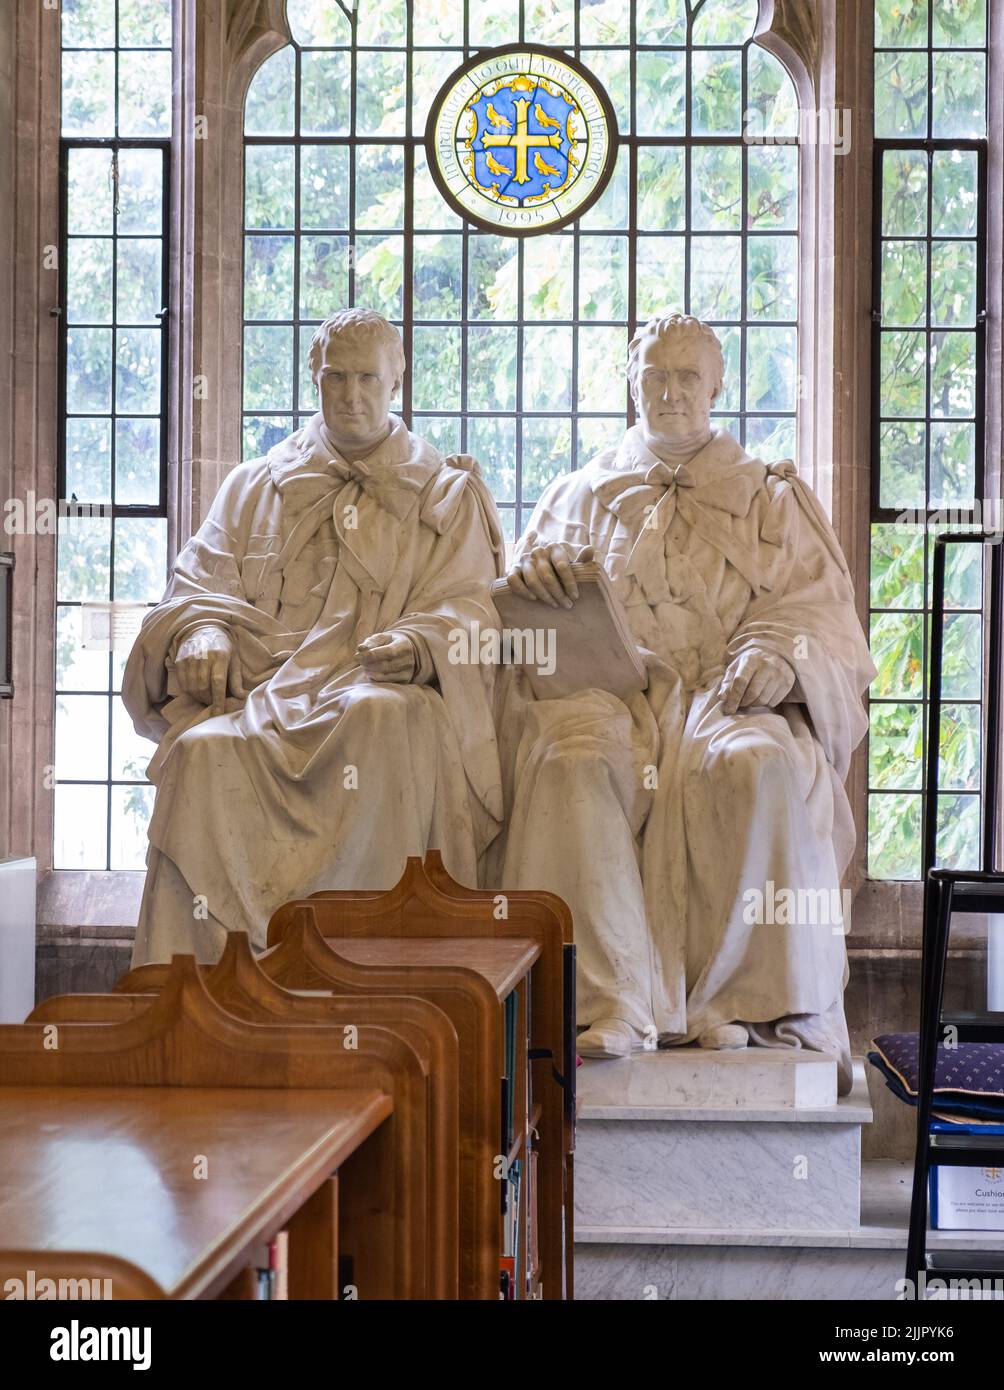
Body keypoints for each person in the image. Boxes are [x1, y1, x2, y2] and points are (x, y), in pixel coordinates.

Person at [493, 314, 875, 1092]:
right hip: (612, 702)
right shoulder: (579, 492)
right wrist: (541, 588)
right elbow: (513, 629)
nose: (670, 394)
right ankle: (603, 1000)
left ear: (718, 386)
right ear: (631, 384)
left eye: (687, 378)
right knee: (570, 766)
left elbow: (826, 621)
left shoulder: (770, 497)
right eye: (654, 378)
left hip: (726, 702)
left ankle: (755, 1001)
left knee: (756, 764)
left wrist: (782, 659)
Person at [123, 308, 504, 964]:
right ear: (313, 378)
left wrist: (420, 646)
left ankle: (367, 966)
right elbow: (192, 589)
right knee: (201, 753)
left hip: (380, 691)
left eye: (366, 379)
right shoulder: (254, 485)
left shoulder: (443, 494)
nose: (350, 395)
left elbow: (475, 613)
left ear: (397, 385)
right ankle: (195, 984)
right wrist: (201, 629)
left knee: (382, 716)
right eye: (335, 378)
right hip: (266, 699)